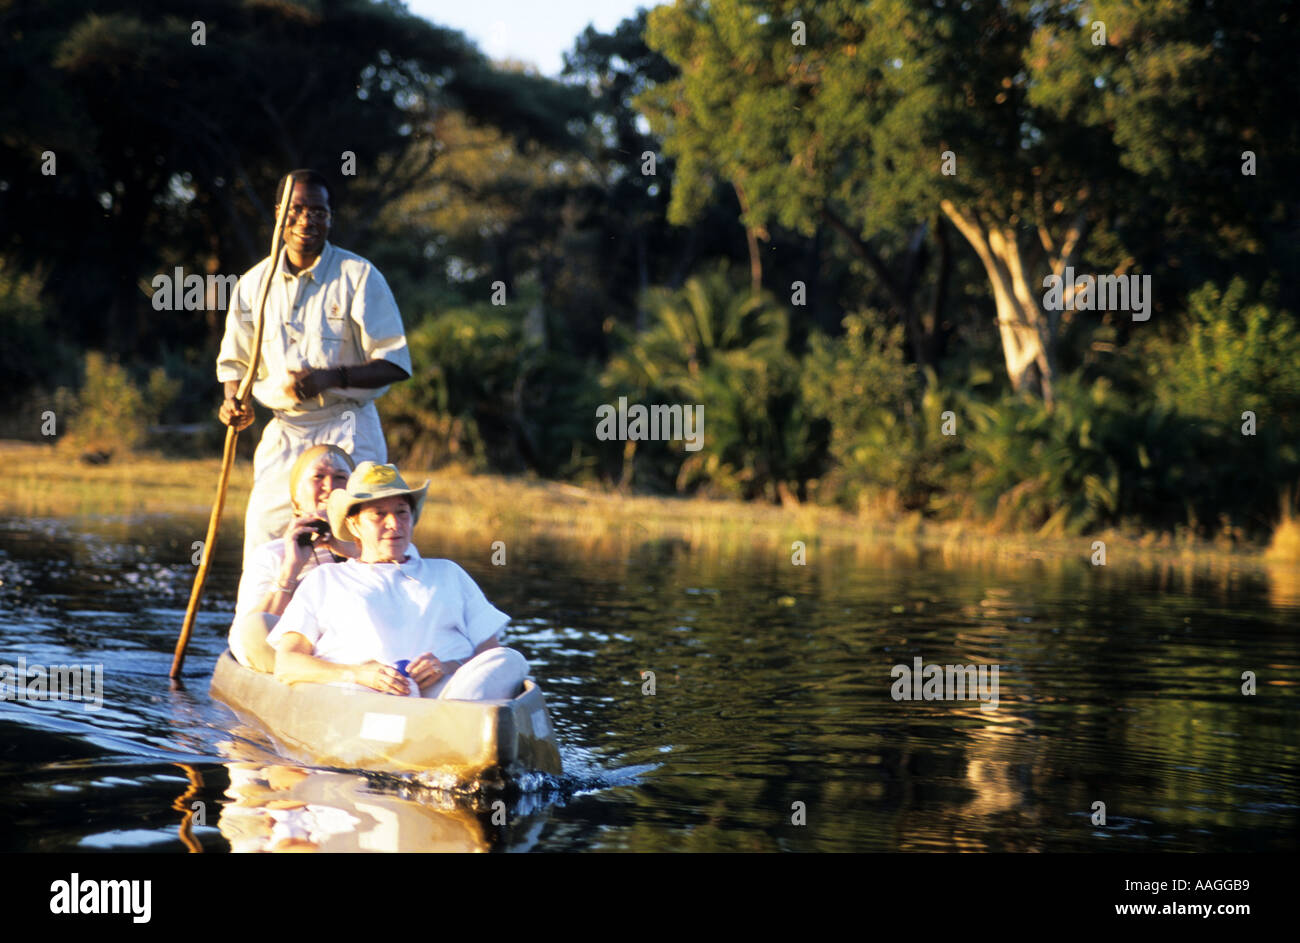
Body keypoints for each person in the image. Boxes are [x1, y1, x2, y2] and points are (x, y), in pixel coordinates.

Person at [216, 168, 412, 569]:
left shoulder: (359, 276)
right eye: (297, 209)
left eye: (318, 211)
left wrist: (331, 378)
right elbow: (234, 363)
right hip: (285, 429)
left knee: (353, 543)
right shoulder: (254, 284)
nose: (307, 220)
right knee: (265, 539)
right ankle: (266, 624)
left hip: (349, 428)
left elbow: (396, 364)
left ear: (330, 218)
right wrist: (234, 402)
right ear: (278, 214)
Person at [267, 462, 529, 701]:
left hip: (452, 697)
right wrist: (358, 674)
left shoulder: (449, 573)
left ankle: (456, 728)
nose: (394, 524)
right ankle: (446, 732)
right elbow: (287, 663)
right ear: (354, 524)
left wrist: (448, 666)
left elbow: (489, 653)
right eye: (379, 514)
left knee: (510, 659)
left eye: (402, 512)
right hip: (365, 699)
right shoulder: (326, 579)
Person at [229, 444, 359, 672]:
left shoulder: (373, 549)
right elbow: (248, 639)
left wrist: (350, 551)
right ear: (296, 496)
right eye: (318, 476)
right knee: (256, 626)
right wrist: (291, 568)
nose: (329, 486)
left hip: (356, 653)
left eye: (340, 477)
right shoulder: (270, 555)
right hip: (299, 660)